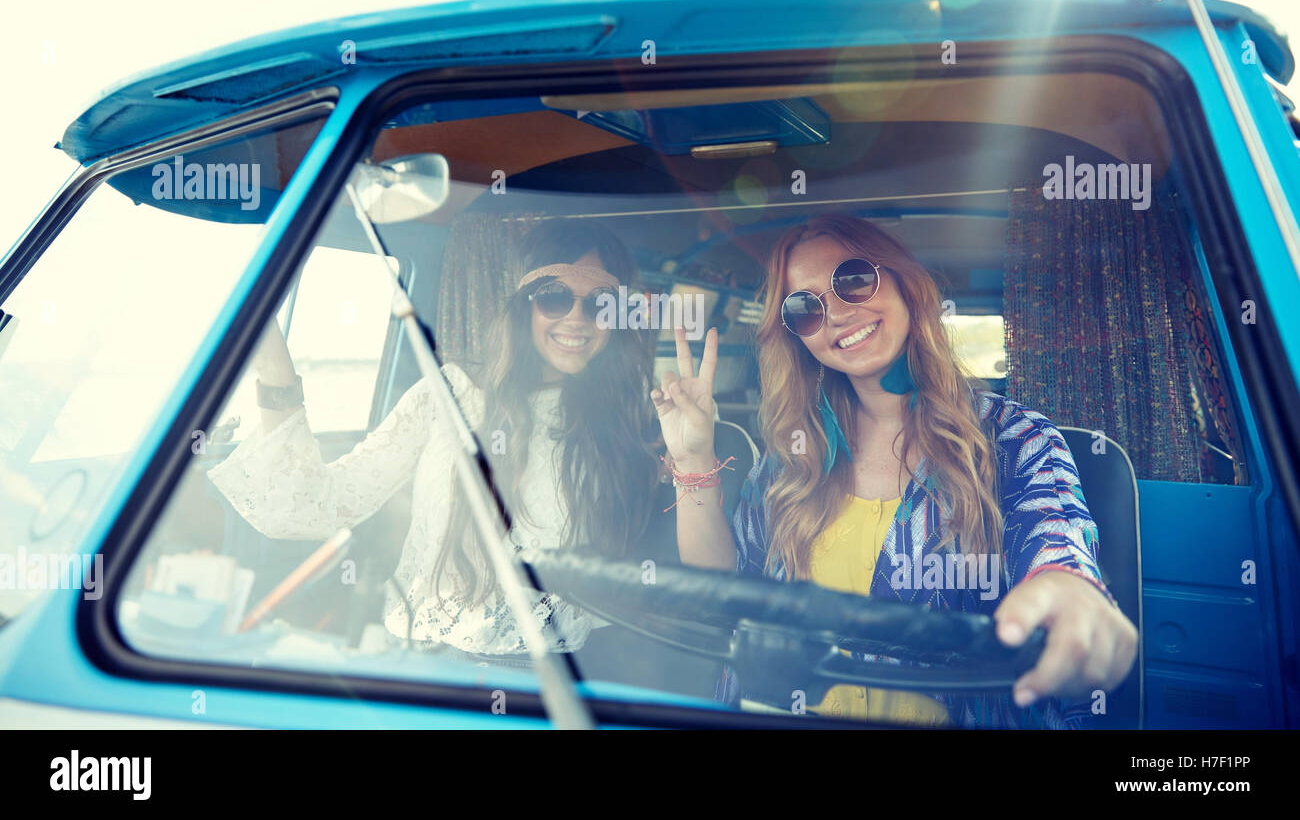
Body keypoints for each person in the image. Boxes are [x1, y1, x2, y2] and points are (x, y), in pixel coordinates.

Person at [654, 213, 1138, 727]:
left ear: (904, 282)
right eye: (805, 307)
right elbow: (721, 583)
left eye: (853, 280)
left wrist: (1068, 588)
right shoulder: (793, 457)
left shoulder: (1015, 438)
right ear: (797, 337)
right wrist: (692, 456)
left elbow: (1055, 537)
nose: (836, 313)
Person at [207, 219, 661, 659]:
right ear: (524, 306)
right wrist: (271, 366)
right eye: (555, 297)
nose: (577, 318)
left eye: (599, 303)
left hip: (537, 679)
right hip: (416, 661)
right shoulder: (449, 393)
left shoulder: (623, 424)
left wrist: (691, 456)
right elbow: (313, 505)